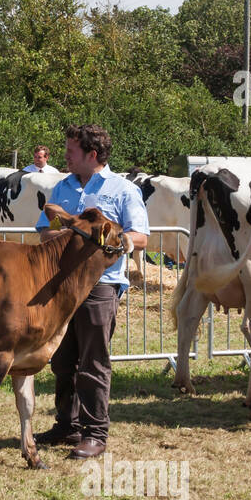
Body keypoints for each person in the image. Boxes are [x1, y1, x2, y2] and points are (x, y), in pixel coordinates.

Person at [33, 124, 148, 459]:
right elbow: (45, 232)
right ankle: (66, 426)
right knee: (63, 359)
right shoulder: (62, 188)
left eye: (71, 152)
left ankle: (95, 433)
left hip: (101, 286)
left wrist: (116, 243)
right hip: (63, 286)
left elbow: (140, 236)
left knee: (93, 361)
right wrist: (65, 234)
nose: (65, 156)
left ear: (91, 155)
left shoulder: (122, 190)